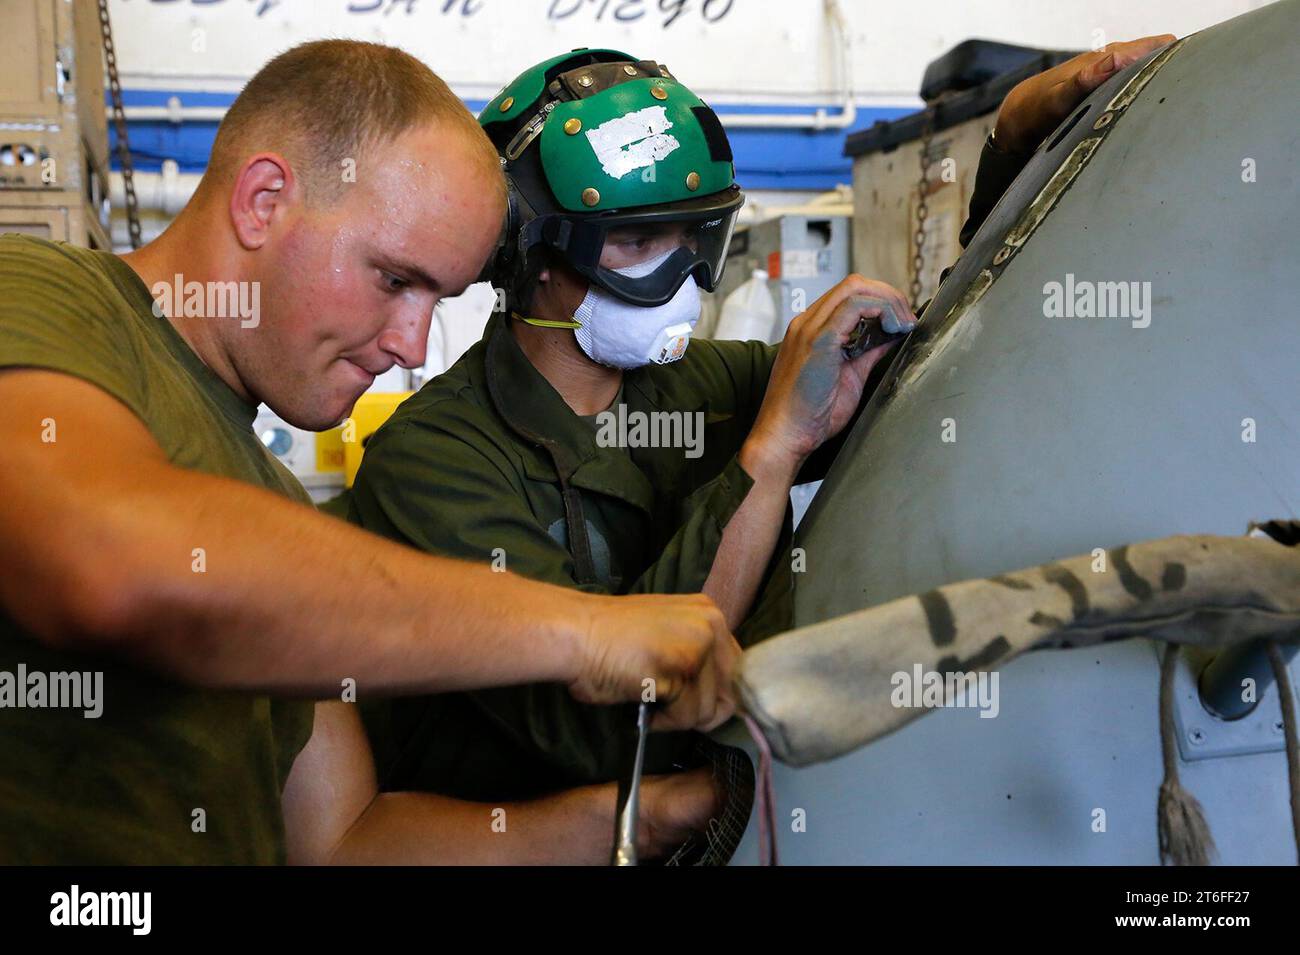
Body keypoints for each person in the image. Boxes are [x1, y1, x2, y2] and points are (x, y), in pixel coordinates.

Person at [347, 36, 1177, 851]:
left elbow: (931, 372)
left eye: (694, 239)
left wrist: (1011, 151)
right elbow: (614, 728)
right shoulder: (432, 463)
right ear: (527, 250)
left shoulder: (700, 385)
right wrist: (770, 452)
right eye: (637, 246)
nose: (677, 284)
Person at [0, 39, 739, 865]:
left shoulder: (274, 511)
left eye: (438, 298)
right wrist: (586, 630)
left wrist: (667, 810)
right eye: (395, 280)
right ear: (264, 200)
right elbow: (113, 563)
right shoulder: (37, 292)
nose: (413, 346)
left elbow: (346, 841)